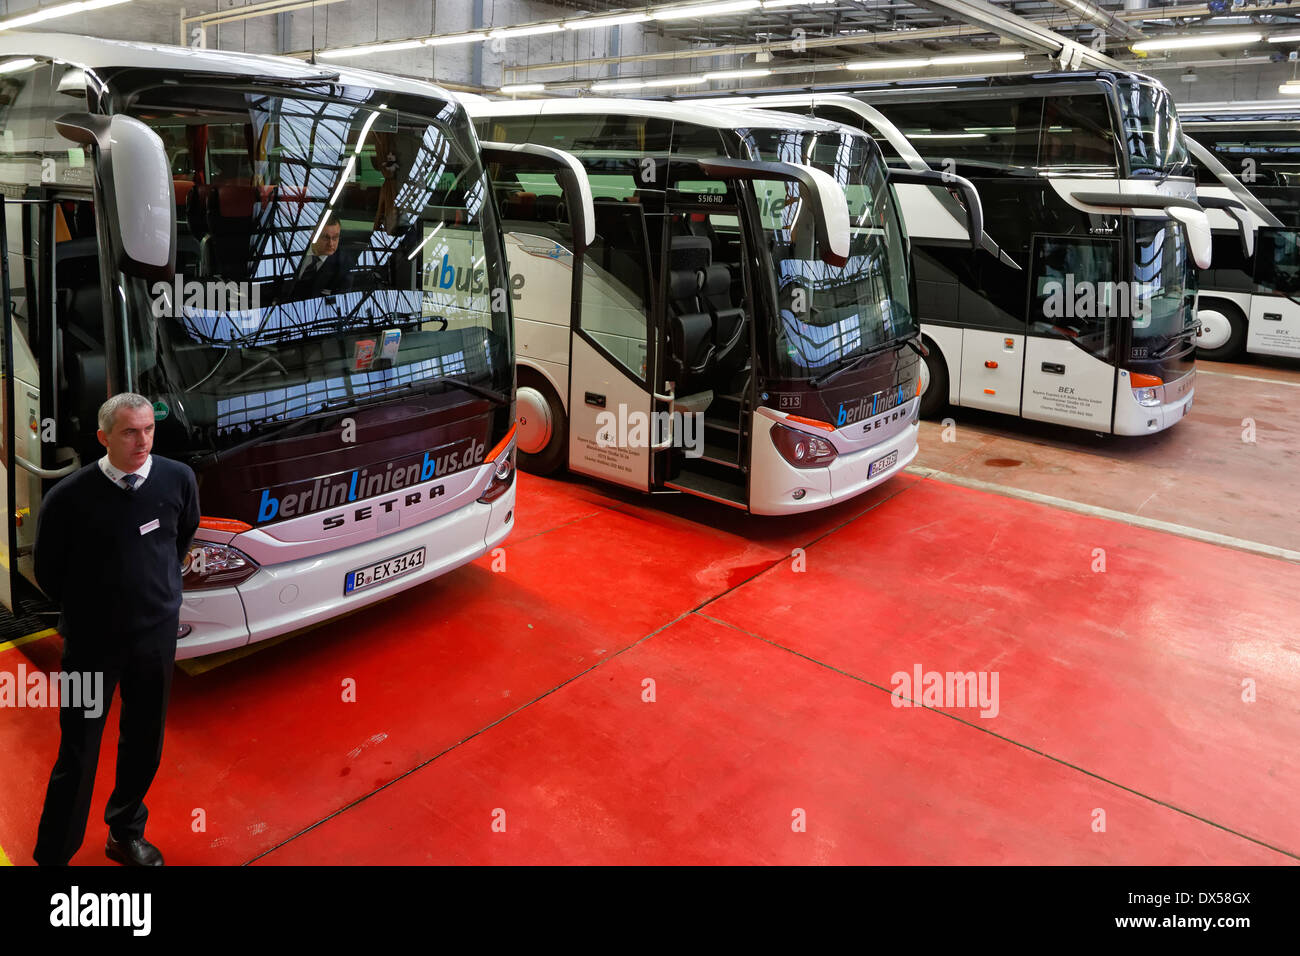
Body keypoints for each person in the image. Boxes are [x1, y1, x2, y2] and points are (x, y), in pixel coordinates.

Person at [32, 393, 200, 867]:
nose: (142, 440)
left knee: (145, 740)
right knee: (79, 750)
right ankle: (54, 855)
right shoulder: (68, 498)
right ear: (104, 437)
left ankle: (125, 833)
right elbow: (50, 572)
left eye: (148, 429)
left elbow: (182, 536)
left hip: (155, 638)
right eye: (130, 431)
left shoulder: (177, 479)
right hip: (91, 645)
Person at [293, 213, 353, 297]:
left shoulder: (343, 270)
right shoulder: (295, 245)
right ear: (313, 236)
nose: (331, 244)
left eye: (335, 237)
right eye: (325, 237)